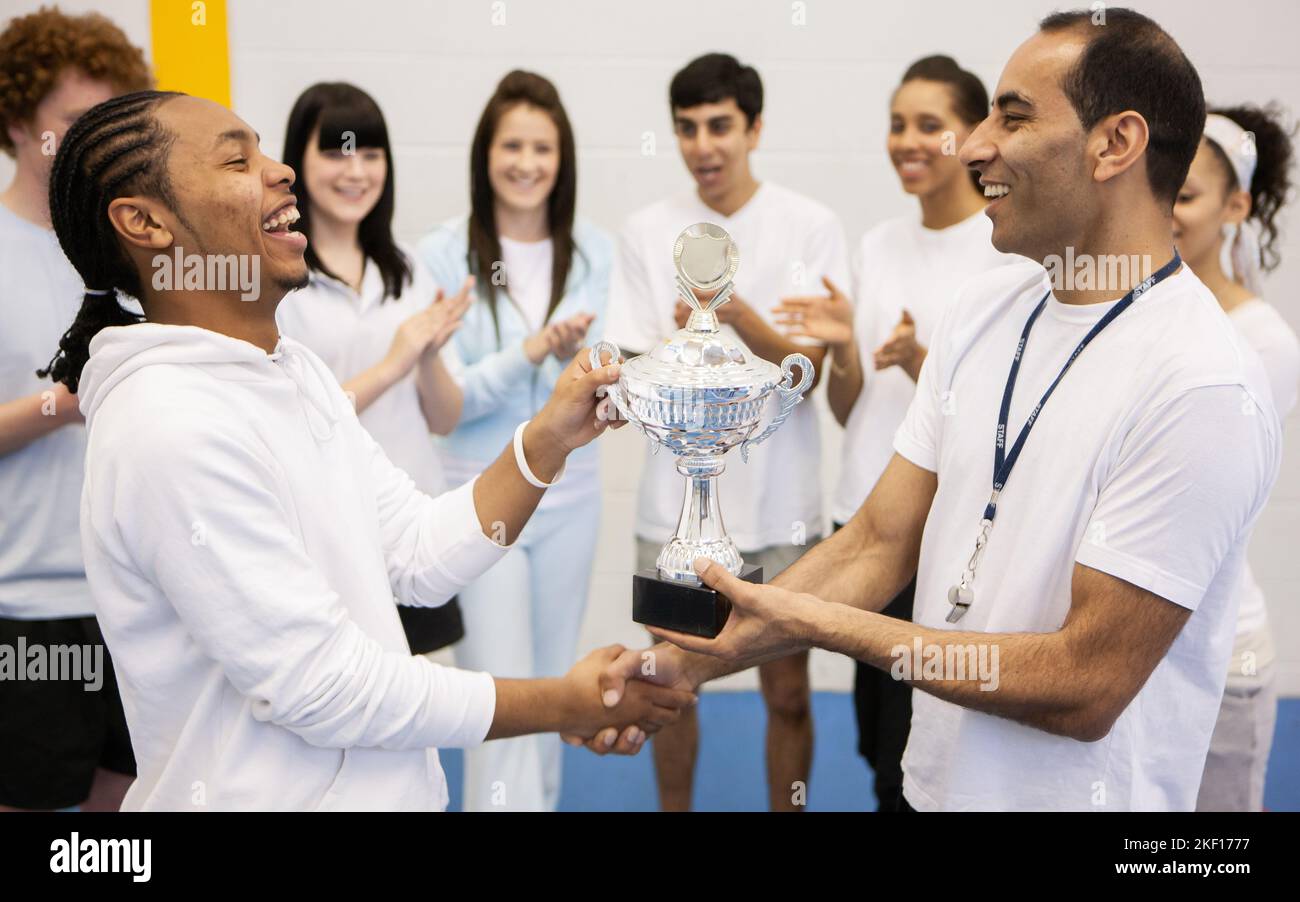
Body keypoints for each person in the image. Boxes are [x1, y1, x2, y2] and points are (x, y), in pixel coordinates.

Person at [590, 8, 1281, 812]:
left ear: (1115, 144)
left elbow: (1085, 684)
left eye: (1012, 117)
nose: (975, 146)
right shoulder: (983, 311)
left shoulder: (1202, 383)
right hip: (935, 789)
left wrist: (812, 620)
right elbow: (878, 541)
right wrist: (687, 664)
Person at [37, 89, 693, 811]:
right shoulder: (168, 425)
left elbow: (417, 551)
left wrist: (549, 438)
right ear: (144, 223)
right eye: (237, 161)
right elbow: (326, 688)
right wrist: (567, 703)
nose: (281, 171)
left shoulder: (294, 373)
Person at [604, 52, 849, 811]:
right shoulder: (645, 230)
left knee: (789, 693)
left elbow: (808, 374)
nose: (703, 146)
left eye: (720, 126)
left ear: (754, 128)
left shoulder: (811, 225)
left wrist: (734, 313)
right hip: (670, 513)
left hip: (783, 511)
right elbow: (630, 371)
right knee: (668, 689)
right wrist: (682, 343)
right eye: (687, 129)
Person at [774, 55, 1019, 811]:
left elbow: (999, 418)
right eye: (896, 124)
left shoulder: (1003, 250)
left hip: (937, 530)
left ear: (970, 136)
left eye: (929, 125)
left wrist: (920, 361)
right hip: (864, 513)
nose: (907, 141)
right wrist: (845, 348)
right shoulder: (878, 244)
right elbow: (849, 408)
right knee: (875, 732)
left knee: (913, 749)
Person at [417, 70, 611, 811]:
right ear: (485, 154)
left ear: (563, 159)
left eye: (542, 148)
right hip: (481, 498)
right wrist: (531, 353)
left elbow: (603, 379)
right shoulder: (441, 255)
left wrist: (580, 366)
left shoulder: (594, 253)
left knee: (557, 694)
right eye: (512, 146)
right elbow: (451, 403)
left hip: (572, 498)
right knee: (498, 702)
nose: (527, 163)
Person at [0, 6, 150, 813]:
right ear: (18, 124)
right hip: (25, 604)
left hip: (137, 595)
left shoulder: (131, 251)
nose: (95, 139)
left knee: (121, 818)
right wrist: (64, 401)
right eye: (74, 120)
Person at [276, 82, 472, 660]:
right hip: (326, 539)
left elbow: (445, 418)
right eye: (336, 152)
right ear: (297, 160)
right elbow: (291, 419)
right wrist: (395, 362)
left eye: (370, 153)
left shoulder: (408, 269)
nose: (356, 171)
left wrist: (428, 353)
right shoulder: (276, 276)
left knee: (428, 700)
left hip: (413, 529)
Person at [1173, 104, 1300, 811]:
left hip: (1219, 659)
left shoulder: (1264, 342)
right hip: (1130, 662)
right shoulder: (1131, 316)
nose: (1164, 209)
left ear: (1236, 208)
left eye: (1186, 195)